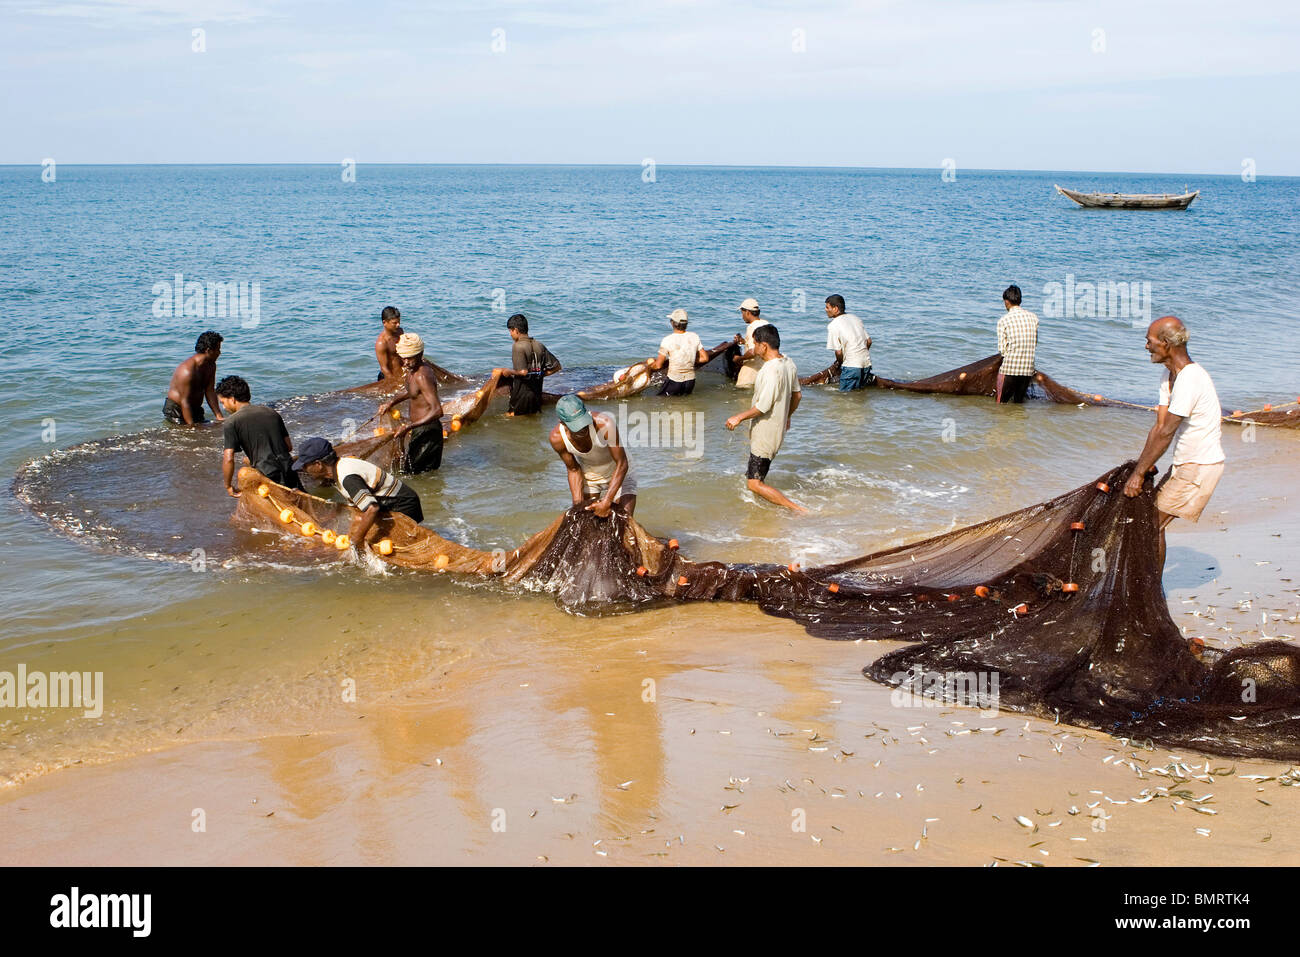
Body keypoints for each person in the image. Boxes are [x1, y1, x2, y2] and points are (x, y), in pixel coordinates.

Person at [1123, 316, 1225, 568]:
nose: (1146, 346)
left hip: (1200, 466)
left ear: (1166, 343)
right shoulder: (1168, 376)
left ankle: (1151, 593)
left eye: (1149, 341)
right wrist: (1142, 466)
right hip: (1185, 464)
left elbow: (1167, 432)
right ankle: (1151, 589)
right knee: (1152, 524)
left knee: (1151, 525)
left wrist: (1137, 475)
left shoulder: (1190, 378)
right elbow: (1158, 428)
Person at [725, 324, 805, 512]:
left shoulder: (769, 370)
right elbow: (797, 396)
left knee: (753, 483)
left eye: (755, 344)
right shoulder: (788, 362)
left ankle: (796, 509)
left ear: (764, 346)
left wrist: (739, 417)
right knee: (758, 476)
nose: (753, 349)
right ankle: (760, 510)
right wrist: (787, 417)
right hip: (777, 430)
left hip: (765, 431)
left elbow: (762, 407)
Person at [294, 437, 424, 549]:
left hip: (403, 505)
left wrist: (356, 541)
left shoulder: (347, 477)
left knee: (399, 544)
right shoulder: (339, 467)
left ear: (318, 464)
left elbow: (372, 509)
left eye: (305, 466)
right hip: (392, 501)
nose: (304, 470)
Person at [549, 394, 637, 517]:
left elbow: (622, 463)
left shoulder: (604, 424)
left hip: (619, 469)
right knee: (584, 517)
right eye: (576, 427)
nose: (583, 430)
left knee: (623, 519)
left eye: (584, 423)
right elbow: (573, 469)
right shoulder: (557, 439)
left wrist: (606, 501)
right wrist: (577, 505)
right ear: (562, 423)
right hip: (591, 474)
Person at [216, 375, 299, 494]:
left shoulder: (232, 422)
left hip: (268, 475)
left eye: (223, 402)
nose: (223, 407)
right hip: (289, 470)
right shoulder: (271, 413)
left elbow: (228, 458)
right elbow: (289, 447)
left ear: (232, 399)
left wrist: (228, 485)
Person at [377, 333, 445, 473]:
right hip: (419, 429)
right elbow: (412, 392)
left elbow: (438, 410)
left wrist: (408, 426)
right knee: (418, 473)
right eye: (403, 358)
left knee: (413, 473)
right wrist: (391, 402)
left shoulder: (422, 375)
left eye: (409, 358)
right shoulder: (412, 371)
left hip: (428, 432)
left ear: (420, 354)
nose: (405, 362)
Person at [494, 314, 561, 416]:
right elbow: (557, 367)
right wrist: (539, 374)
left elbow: (523, 372)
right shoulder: (539, 345)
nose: (510, 335)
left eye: (510, 331)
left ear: (516, 330)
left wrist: (506, 371)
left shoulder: (518, 346)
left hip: (521, 397)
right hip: (536, 397)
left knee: (510, 421)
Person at [164, 331, 224, 425]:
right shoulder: (187, 371)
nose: (219, 353)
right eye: (217, 349)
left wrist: (219, 416)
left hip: (195, 408)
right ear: (208, 351)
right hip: (177, 410)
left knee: (205, 430)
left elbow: (210, 391)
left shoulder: (211, 365)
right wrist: (191, 427)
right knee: (189, 434)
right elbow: (185, 401)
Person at [646, 308, 709, 396]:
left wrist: (649, 366)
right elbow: (705, 358)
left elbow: (658, 365)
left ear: (672, 323)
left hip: (674, 381)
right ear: (686, 324)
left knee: (661, 402)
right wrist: (688, 360)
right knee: (684, 403)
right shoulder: (694, 336)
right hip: (690, 381)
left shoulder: (667, 340)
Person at [996, 285, 1039, 404]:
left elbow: (1002, 350)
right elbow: (1035, 343)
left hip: (1010, 369)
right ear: (1019, 300)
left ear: (1006, 301)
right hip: (1027, 369)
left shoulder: (1003, 321)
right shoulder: (1034, 318)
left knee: (1000, 404)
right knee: (1019, 404)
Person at [824, 295, 874, 391]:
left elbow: (838, 352)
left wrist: (840, 363)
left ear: (835, 308)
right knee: (858, 395)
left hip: (851, 366)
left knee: (845, 398)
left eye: (827, 307)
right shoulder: (855, 318)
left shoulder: (833, 325)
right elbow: (869, 341)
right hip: (866, 364)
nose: (825, 310)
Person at [731, 298, 770, 389]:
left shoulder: (752, 327)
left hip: (751, 368)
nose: (742, 316)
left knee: (742, 395)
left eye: (742, 312)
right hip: (764, 367)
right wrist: (745, 342)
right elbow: (761, 345)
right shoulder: (765, 324)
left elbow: (754, 351)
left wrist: (739, 359)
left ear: (747, 312)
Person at [375, 306, 405, 381]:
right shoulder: (382, 343)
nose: (398, 325)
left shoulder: (400, 331)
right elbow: (384, 368)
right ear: (384, 322)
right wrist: (395, 382)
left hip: (400, 373)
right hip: (387, 376)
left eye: (399, 322)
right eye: (394, 323)